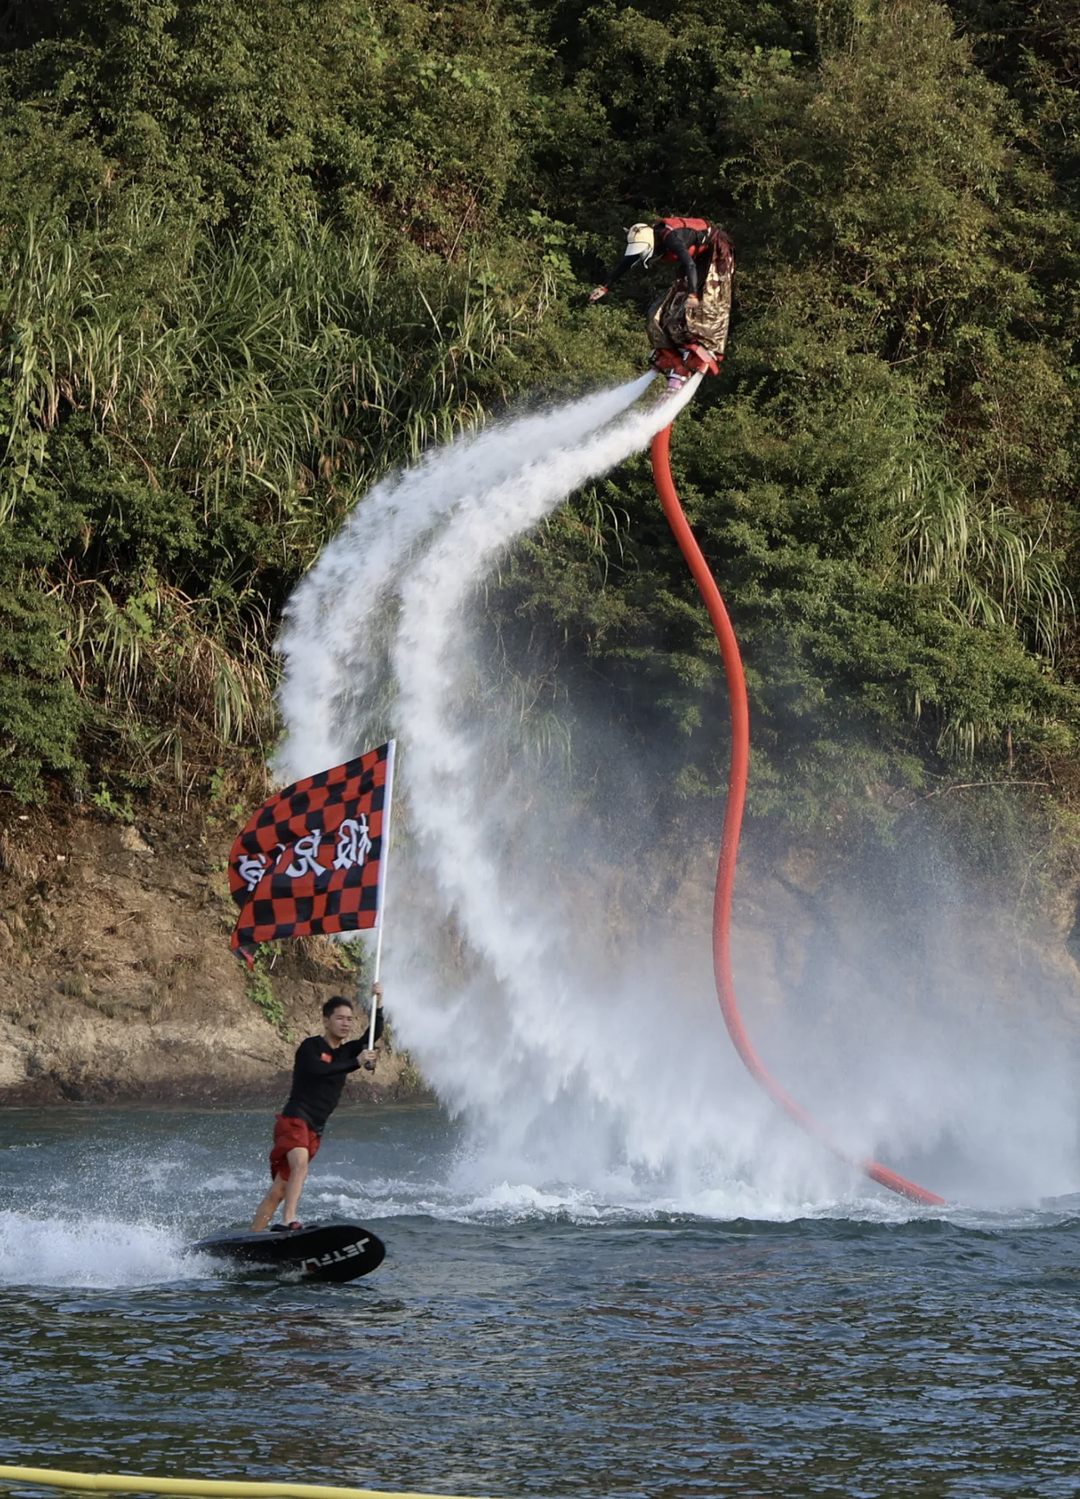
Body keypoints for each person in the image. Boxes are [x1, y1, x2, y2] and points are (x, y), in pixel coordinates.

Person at [250, 986, 385, 1232]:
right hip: (295, 1119)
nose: (346, 1024)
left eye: (350, 1020)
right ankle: (288, 1220)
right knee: (300, 1165)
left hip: (315, 1128)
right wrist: (356, 1062)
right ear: (326, 1021)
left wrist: (378, 1005)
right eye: (340, 1018)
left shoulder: (346, 1050)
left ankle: (251, 1239)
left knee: (280, 1189)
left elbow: (372, 1035)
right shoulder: (310, 1047)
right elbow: (319, 1071)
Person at [588, 217, 736, 390]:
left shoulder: (670, 238)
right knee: (662, 312)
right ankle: (670, 351)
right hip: (696, 260)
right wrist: (605, 287)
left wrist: (693, 293)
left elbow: (689, 263)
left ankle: (704, 344)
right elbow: (625, 264)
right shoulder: (647, 238)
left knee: (707, 299)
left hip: (716, 251)